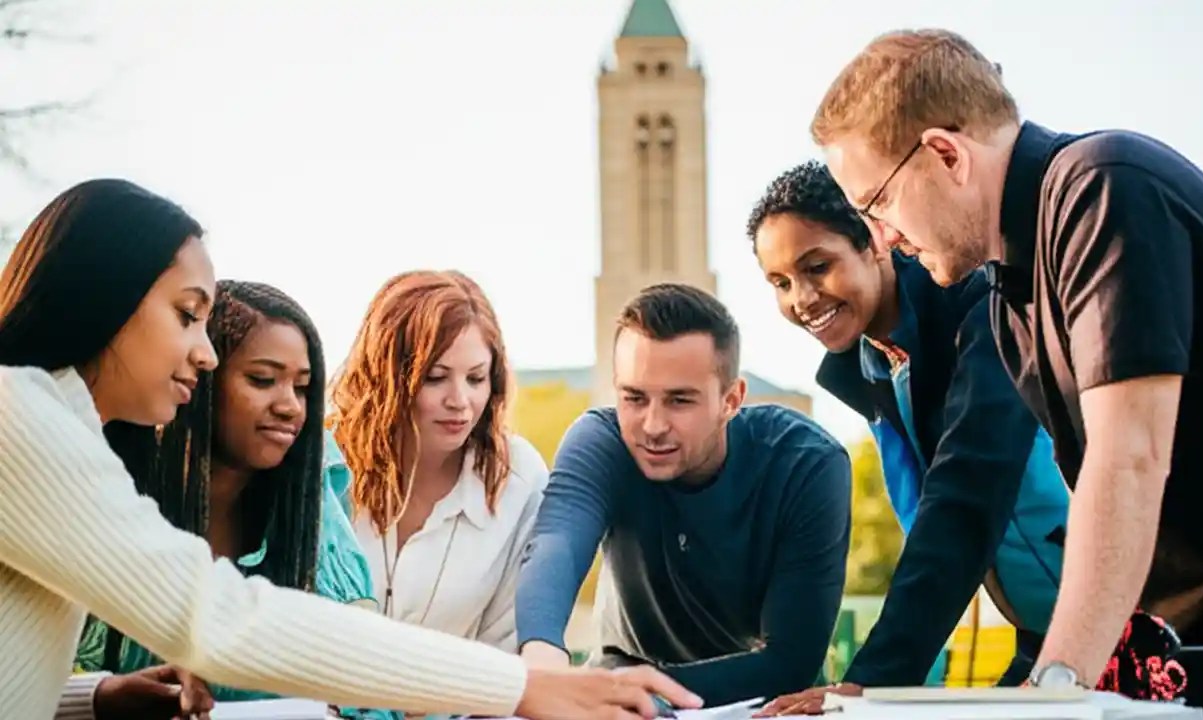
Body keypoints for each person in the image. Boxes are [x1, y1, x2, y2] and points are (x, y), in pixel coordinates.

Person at [0, 178, 702, 720]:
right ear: (105, 296)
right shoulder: (21, 419)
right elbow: (215, 617)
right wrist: (523, 686)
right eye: (186, 315)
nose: (206, 353)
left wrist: (90, 698)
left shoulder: (46, 423)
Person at [810, 28, 1203, 704]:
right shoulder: (1011, 299)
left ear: (945, 153)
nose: (881, 237)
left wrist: (1057, 686)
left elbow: (1130, 457)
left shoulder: (1105, 188)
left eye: (877, 203)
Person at [745, 161, 1069, 716]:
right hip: (1042, 634)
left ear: (873, 239)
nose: (801, 299)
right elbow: (929, 533)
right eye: (780, 283)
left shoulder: (984, 309)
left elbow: (965, 501)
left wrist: (866, 685)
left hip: (1136, 614)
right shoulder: (871, 370)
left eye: (817, 266)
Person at [516, 282, 853, 707]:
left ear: (731, 399)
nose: (653, 425)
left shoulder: (807, 463)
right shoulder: (601, 441)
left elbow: (790, 662)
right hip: (622, 681)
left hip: (757, 699)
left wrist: (644, 691)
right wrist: (543, 667)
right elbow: (555, 545)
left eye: (679, 401)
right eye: (634, 397)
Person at [73, 279, 395, 720]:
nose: (290, 407)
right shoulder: (110, 491)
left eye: (301, 388)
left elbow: (368, 654)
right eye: (263, 380)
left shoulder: (306, 495)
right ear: (198, 380)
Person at [325, 270, 547, 657]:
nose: (460, 400)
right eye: (435, 377)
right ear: (387, 376)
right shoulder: (325, 467)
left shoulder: (518, 478)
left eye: (476, 378)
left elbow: (506, 647)